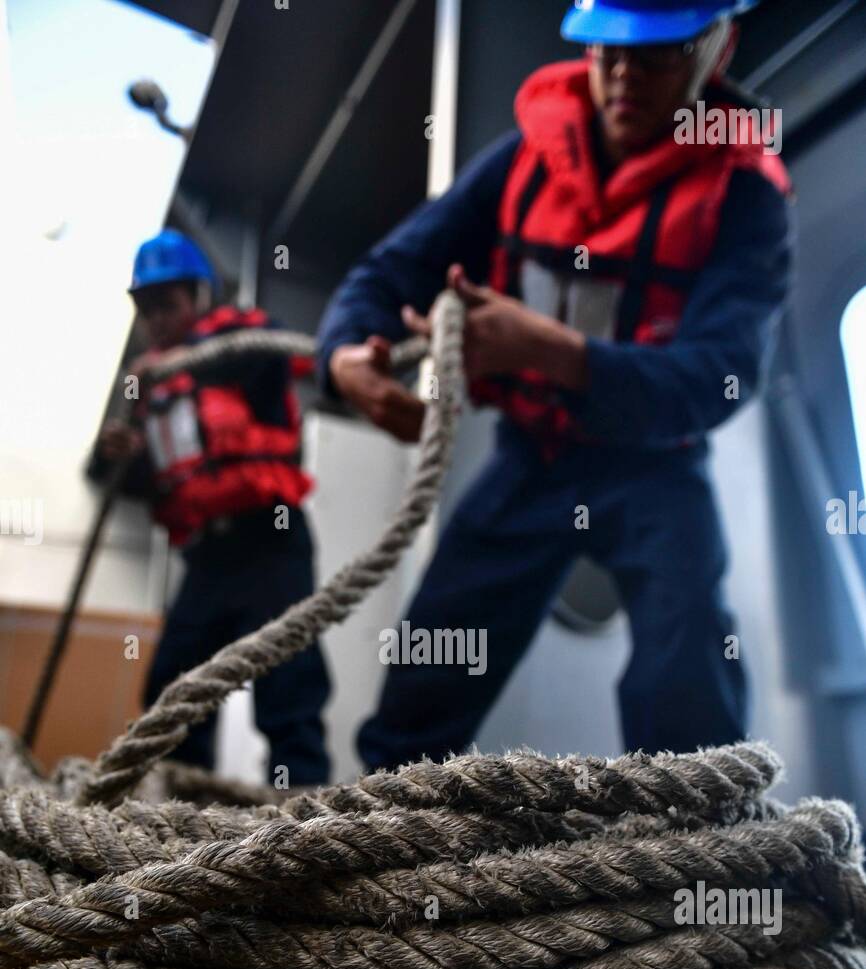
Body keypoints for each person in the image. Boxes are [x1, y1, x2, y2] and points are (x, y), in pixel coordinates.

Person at [318, 0, 792, 771]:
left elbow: (721, 376)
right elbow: (388, 272)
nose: (623, 77)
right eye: (607, 51)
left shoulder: (746, 197)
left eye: (656, 55)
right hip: (532, 456)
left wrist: (556, 353)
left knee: (688, 661)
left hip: (657, 469)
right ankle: (384, 836)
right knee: (435, 654)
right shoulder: (521, 161)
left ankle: (698, 858)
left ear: (719, 45)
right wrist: (344, 359)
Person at [93, 229, 330, 786]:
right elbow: (160, 483)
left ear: (201, 297)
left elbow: (271, 356)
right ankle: (179, 820)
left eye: (168, 304)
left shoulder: (243, 342)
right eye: (147, 310)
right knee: (173, 693)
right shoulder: (149, 388)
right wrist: (125, 458)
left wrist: (186, 361)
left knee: (288, 684)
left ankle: (308, 820)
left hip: (270, 539)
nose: (157, 320)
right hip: (207, 557)